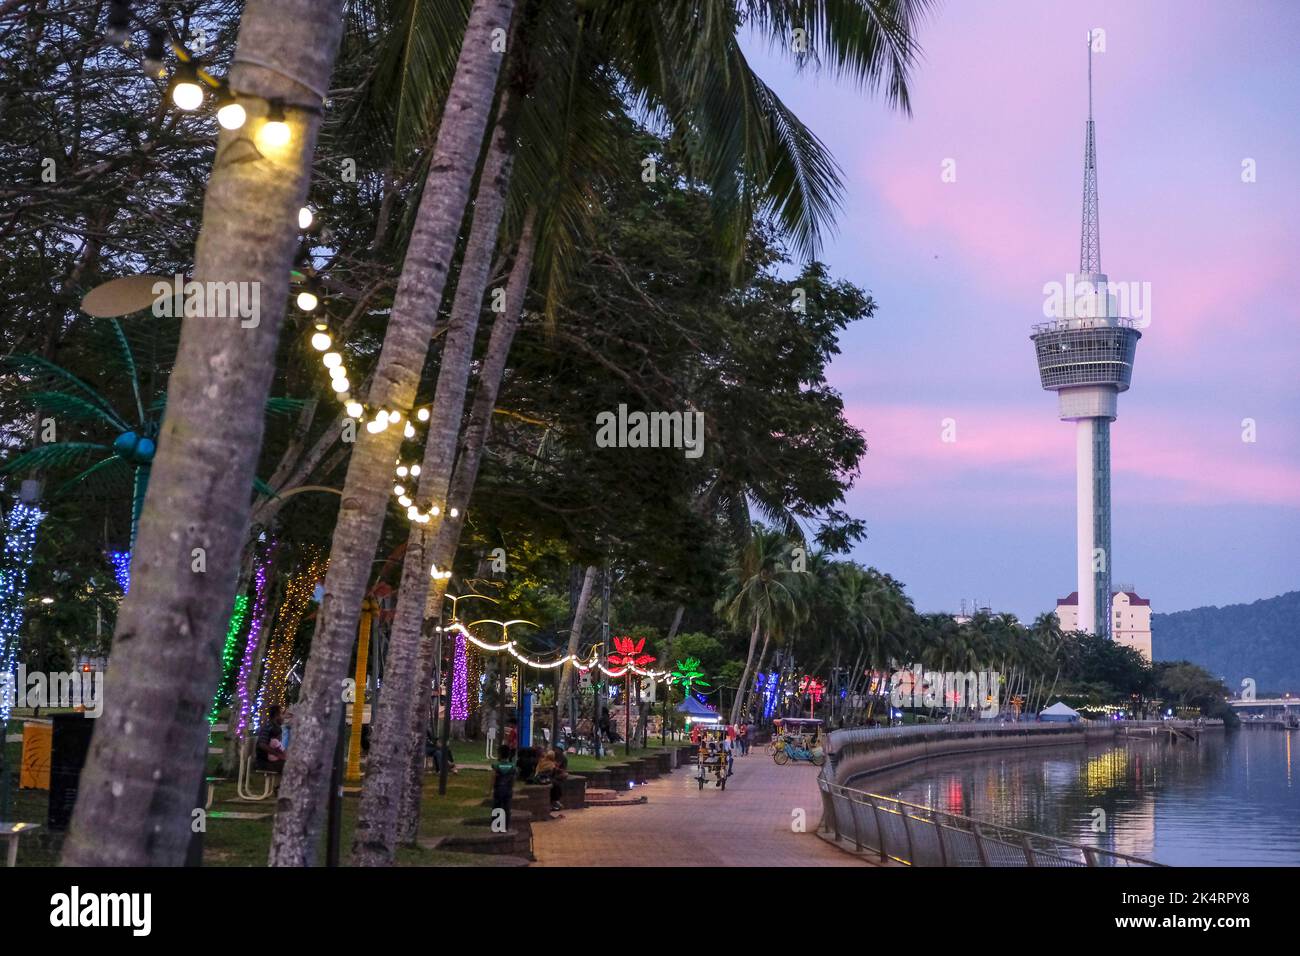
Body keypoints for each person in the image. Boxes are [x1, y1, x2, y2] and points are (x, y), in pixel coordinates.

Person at [490, 745, 517, 831]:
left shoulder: (496, 765)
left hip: (498, 789)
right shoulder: (512, 766)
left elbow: (493, 778)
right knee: (507, 808)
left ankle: (496, 826)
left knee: (496, 806)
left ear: (499, 754)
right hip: (508, 790)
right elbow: (513, 779)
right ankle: (505, 826)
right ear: (509, 755)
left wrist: (489, 789)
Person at [256, 705, 288, 772]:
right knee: (295, 767)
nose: (284, 717)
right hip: (265, 763)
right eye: (282, 714)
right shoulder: (268, 727)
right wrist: (278, 754)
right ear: (276, 715)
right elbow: (262, 744)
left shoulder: (276, 728)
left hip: (273, 761)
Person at [550, 747, 569, 812]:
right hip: (550, 774)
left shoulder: (564, 758)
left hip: (557, 774)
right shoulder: (552, 756)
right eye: (556, 749)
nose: (556, 750)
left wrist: (558, 769)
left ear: (561, 750)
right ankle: (555, 801)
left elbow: (564, 770)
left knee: (564, 775)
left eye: (558, 749)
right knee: (556, 784)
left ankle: (556, 801)